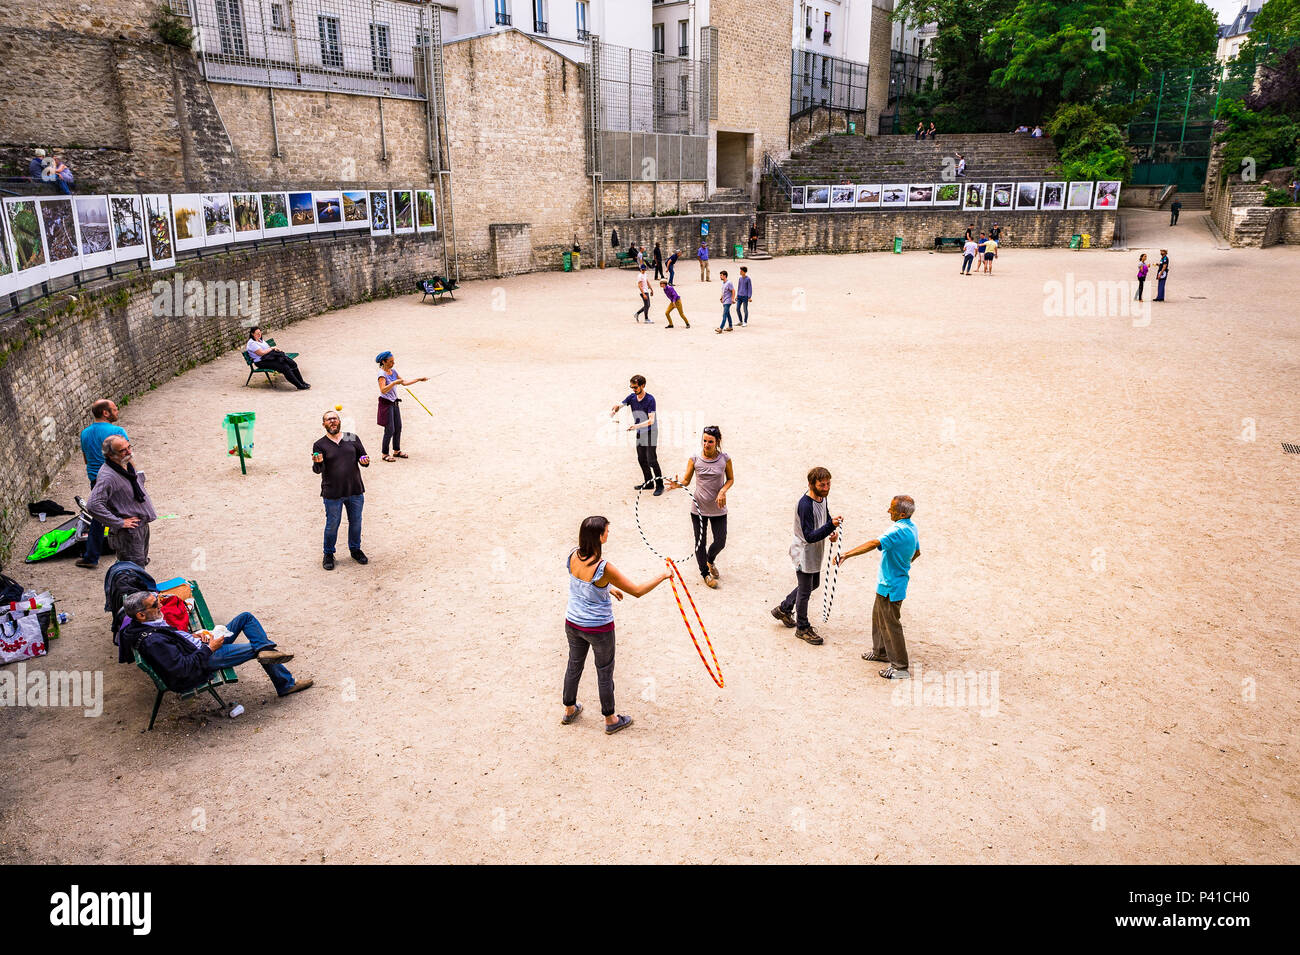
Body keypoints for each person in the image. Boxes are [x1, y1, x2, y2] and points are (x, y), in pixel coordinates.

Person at [561, 516, 670, 734]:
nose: (609, 533)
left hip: (573, 622)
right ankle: (610, 719)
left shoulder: (573, 555)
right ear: (599, 536)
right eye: (607, 531)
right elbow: (637, 591)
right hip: (599, 628)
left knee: (574, 664)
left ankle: (569, 709)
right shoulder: (604, 567)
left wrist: (606, 587)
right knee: (604, 671)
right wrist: (663, 576)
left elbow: (583, 582)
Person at [121, 591, 312, 698]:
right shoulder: (153, 641)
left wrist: (196, 636)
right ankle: (285, 683)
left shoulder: (149, 624)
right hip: (206, 659)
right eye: (155, 604)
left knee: (246, 618)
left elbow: (175, 641)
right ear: (140, 615)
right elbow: (182, 668)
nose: (161, 605)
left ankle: (264, 650)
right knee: (258, 648)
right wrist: (209, 647)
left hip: (200, 646)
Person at [836, 495, 920, 680]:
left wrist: (847, 555)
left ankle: (900, 667)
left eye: (892, 508)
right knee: (879, 618)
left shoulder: (897, 531)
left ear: (902, 513)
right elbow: (917, 552)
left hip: (891, 586)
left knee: (891, 625)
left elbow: (875, 543)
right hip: (889, 583)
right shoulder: (912, 529)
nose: (888, 511)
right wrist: (903, 565)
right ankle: (880, 651)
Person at [771, 467, 841, 645]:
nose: (826, 488)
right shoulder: (805, 504)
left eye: (828, 484)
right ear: (811, 484)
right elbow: (809, 536)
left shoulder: (822, 498)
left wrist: (831, 529)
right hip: (804, 553)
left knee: (813, 583)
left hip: (815, 552)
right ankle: (802, 628)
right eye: (822, 484)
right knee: (805, 591)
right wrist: (829, 526)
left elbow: (825, 517)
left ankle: (784, 608)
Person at [666, 426, 733, 589]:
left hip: (718, 508)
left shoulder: (724, 459)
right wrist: (678, 485)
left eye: (710, 441)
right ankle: (705, 573)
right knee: (699, 542)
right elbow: (687, 480)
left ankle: (710, 561)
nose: (706, 444)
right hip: (699, 509)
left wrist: (723, 491)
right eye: (704, 441)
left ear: (717, 442)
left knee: (720, 541)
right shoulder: (695, 458)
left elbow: (730, 479)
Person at [312, 410, 370, 570]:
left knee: (356, 522)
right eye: (328, 419)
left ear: (339, 421)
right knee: (332, 524)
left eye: (334, 418)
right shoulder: (320, 444)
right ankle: (328, 554)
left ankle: (355, 550)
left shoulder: (351, 437)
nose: (332, 421)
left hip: (355, 489)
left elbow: (363, 458)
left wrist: (365, 461)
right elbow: (318, 470)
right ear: (323, 424)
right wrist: (318, 462)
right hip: (333, 493)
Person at [86, 435, 157, 567]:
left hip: (141, 526)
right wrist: (119, 522)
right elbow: (93, 504)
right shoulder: (108, 476)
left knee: (140, 564)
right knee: (133, 569)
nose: (129, 452)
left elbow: (137, 481)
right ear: (110, 455)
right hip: (129, 533)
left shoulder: (125, 464)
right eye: (123, 450)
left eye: (129, 447)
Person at [76, 399, 128, 570]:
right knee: (126, 512)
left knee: (99, 517)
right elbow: (125, 457)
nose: (117, 411)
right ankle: (131, 554)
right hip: (116, 477)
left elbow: (86, 459)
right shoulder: (117, 431)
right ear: (105, 413)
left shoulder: (84, 433)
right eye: (114, 409)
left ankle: (91, 557)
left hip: (95, 479)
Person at [609, 375, 663, 494]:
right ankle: (649, 483)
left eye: (635, 387)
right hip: (640, 432)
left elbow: (651, 420)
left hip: (651, 431)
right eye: (632, 387)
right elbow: (620, 405)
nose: (633, 389)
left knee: (651, 459)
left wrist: (635, 426)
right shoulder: (632, 397)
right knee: (641, 458)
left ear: (643, 385)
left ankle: (660, 485)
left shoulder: (650, 399)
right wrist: (615, 409)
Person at [375, 350, 428, 462]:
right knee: (389, 429)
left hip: (394, 403)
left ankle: (396, 450)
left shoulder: (393, 371)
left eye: (393, 361)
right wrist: (394, 383)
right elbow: (383, 390)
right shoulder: (382, 375)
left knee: (398, 427)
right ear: (384, 362)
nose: (393, 363)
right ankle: (384, 453)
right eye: (390, 361)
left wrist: (418, 379)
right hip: (386, 404)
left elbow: (404, 382)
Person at [245, 326, 310, 390]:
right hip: (261, 361)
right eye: (257, 333)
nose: (259, 334)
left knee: (292, 363)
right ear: (252, 334)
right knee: (285, 367)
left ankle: (302, 382)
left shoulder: (260, 340)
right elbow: (261, 353)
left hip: (269, 357)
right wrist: (272, 348)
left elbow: (267, 349)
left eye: (260, 332)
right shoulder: (252, 343)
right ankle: (299, 385)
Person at [716, 270, 735, 334]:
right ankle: (730, 326)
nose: (720, 276)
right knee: (728, 314)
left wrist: (732, 299)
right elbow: (724, 292)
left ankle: (721, 328)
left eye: (721, 275)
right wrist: (721, 297)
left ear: (725, 276)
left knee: (724, 315)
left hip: (728, 301)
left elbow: (733, 291)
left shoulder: (729, 283)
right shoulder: (724, 283)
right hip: (724, 301)